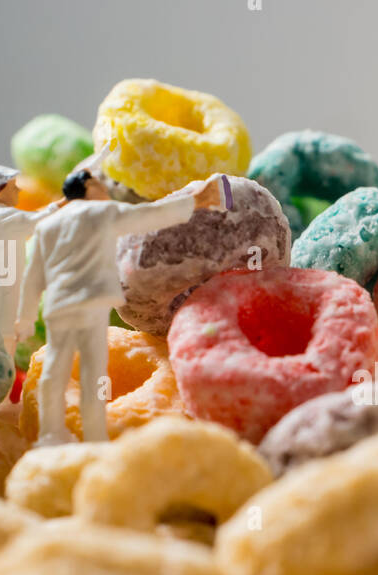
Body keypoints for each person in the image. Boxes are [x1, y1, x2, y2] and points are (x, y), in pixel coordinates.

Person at [18, 170, 230, 445]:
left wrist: (24, 316)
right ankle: (91, 432)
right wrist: (199, 201)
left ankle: (54, 432)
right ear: (85, 192)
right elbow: (150, 217)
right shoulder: (102, 216)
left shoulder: (49, 227)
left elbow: (33, 275)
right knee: (90, 367)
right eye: (97, 185)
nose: (104, 189)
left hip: (62, 306)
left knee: (62, 365)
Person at [0, 166, 63, 356]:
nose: (18, 190)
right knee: (3, 354)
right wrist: (69, 199)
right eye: (13, 186)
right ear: (0, 190)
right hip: (3, 305)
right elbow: (42, 219)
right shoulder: (3, 219)